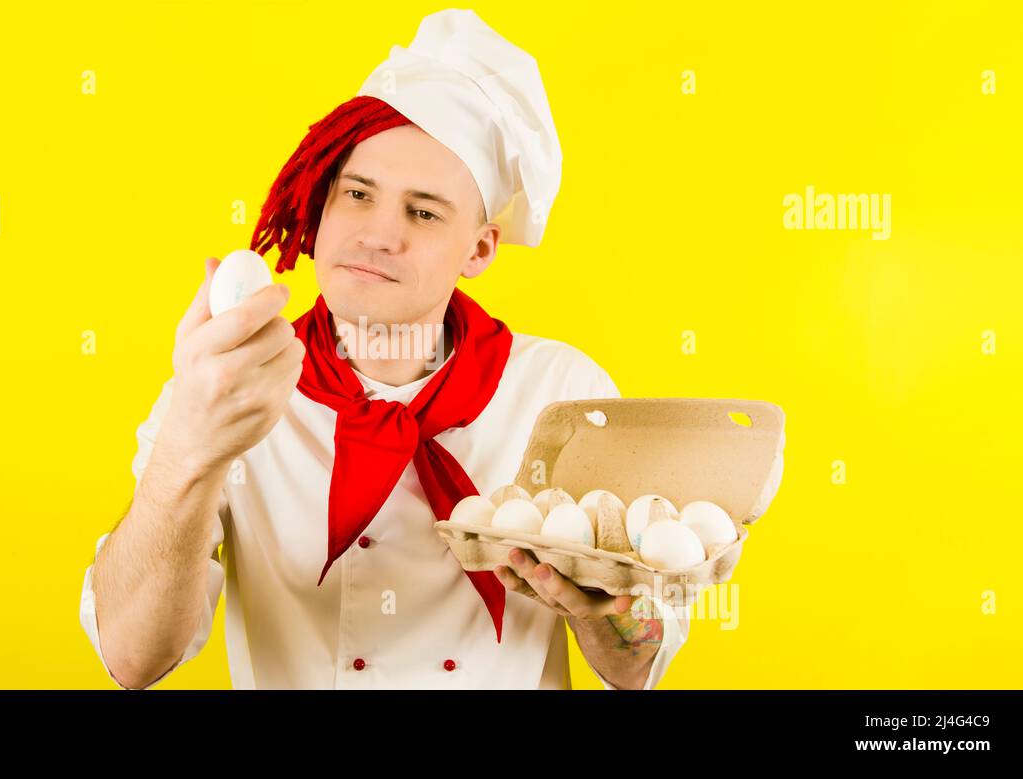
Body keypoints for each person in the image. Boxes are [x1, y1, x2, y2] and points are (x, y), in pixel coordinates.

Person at [78, 8, 689, 689]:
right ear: (320, 205)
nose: (377, 234)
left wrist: (603, 611)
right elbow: (132, 658)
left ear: (480, 248)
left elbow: (638, 661)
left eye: (423, 211)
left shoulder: (563, 395)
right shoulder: (227, 386)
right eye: (358, 194)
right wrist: (189, 451)